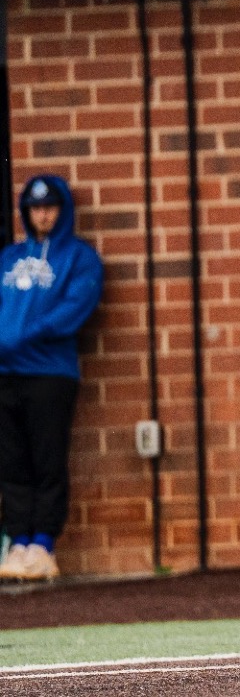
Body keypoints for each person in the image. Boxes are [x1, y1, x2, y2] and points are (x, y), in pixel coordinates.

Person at [0, 175, 103, 582]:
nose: (41, 214)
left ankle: (43, 544)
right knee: (11, 463)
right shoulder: (8, 258)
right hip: (5, 373)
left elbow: (74, 310)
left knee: (46, 459)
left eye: (49, 206)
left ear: (62, 210)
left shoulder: (79, 258)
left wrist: (25, 334)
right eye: (34, 207)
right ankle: (18, 542)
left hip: (49, 373)